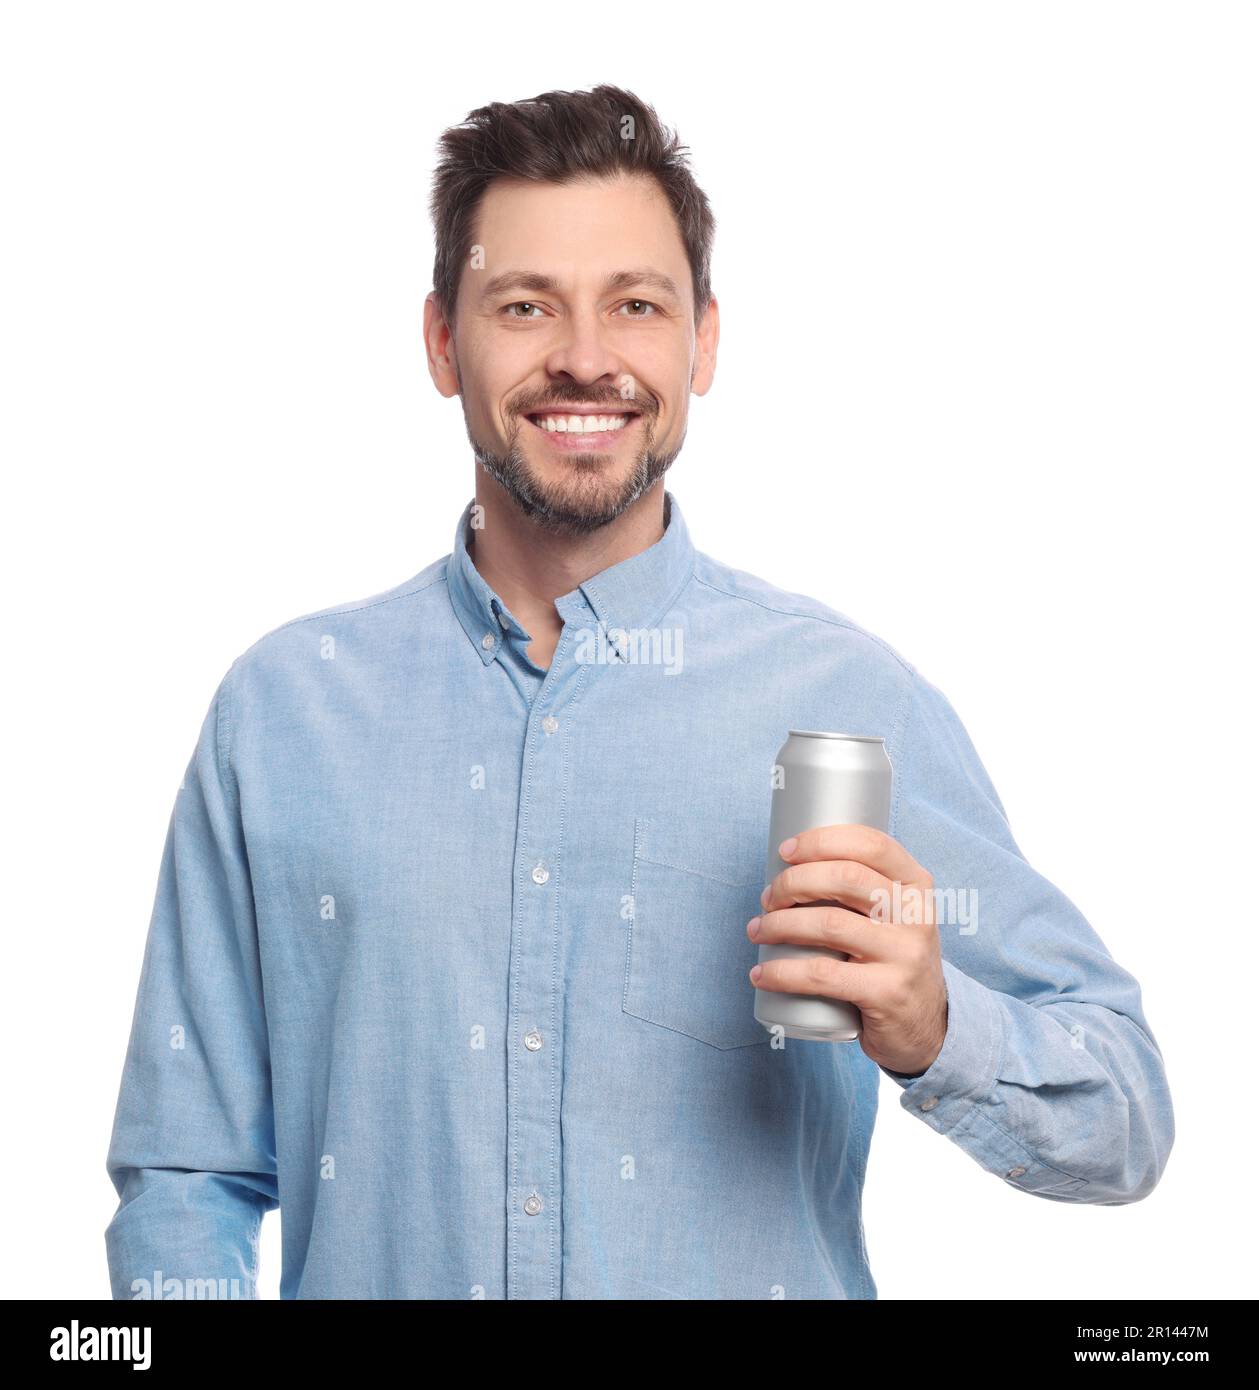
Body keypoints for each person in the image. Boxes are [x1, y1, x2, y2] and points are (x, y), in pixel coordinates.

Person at [105, 84, 1174, 1301]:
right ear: (442, 341)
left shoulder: (842, 699)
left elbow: (1122, 1112)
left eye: (636, 305)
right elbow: (184, 1178)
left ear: (701, 342)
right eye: (524, 306)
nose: (584, 357)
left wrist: (937, 1029)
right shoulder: (281, 713)